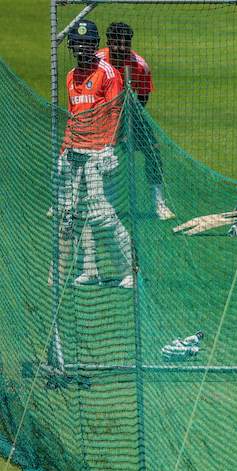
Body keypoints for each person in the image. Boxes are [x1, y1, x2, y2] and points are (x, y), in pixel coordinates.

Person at [57, 19, 133, 289]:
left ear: (94, 45)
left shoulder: (109, 73)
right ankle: (91, 269)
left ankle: (129, 269)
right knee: (76, 213)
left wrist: (108, 148)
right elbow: (73, 116)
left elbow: (117, 113)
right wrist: (64, 150)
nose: (81, 50)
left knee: (102, 214)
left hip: (99, 152)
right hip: (74, 152)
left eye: (87, 44)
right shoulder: (70, 76)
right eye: (77, 45)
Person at [97, 22, 172, 220]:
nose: (121, 48)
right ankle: (67, 201)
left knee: (153, 150)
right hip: (100, 115)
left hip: (131, 113)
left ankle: (159, 204)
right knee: (93, 155)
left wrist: (128, 121)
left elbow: (143, 96)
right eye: (116, 43)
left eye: (126, 43)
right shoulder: (97, 62)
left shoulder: (140, 65)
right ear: (108, 42)